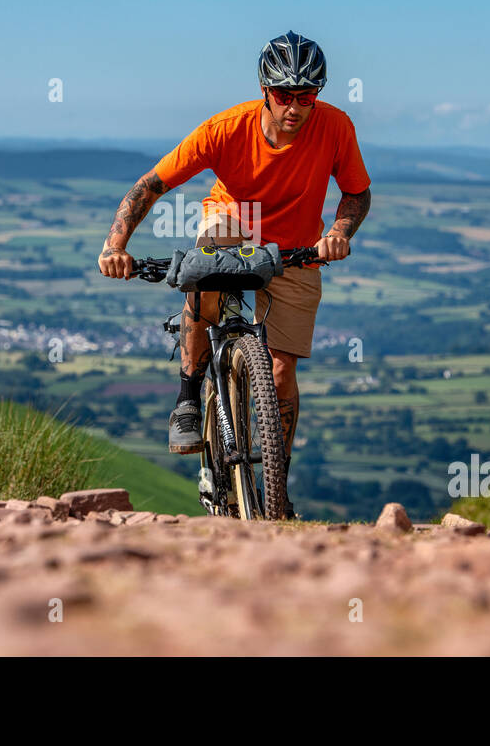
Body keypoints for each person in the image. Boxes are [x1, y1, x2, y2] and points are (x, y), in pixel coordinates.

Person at [97, 31, 372, 517]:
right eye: (285, 94)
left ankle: (275, 484)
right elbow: (150, 186)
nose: (295, 106)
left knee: (283, 368)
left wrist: (340, 232)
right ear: (265, 89)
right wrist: (114, 246)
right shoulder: (226, 129)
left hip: (298, 247)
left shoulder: (335, 127)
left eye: (306, 96)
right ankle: (188, 396)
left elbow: (356, 192)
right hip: (233, 221)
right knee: (203, 271)